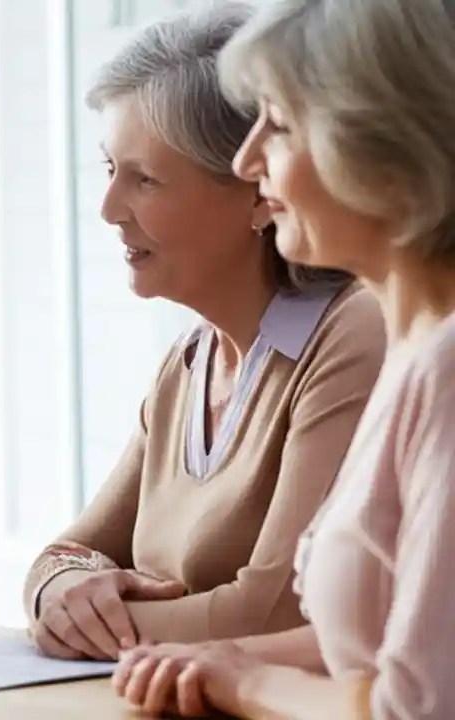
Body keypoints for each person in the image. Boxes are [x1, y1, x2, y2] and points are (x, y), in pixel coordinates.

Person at [113, 1, 455, 717]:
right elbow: (385, 638)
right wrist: (215, 658)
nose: (246, 159)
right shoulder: (414, 345)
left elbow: (415, 706)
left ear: (386, 146)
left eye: (280, 122)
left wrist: (244, 679)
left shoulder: (436, 364)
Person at [23, 2, 385, 662]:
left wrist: (93, 621)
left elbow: (277, 611)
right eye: (110, 170)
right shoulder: (190, 360)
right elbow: (69, 552)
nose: (108, 210)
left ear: (256, 189)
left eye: (146, 179)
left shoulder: (354, 333)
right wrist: (63, 589)